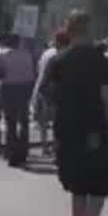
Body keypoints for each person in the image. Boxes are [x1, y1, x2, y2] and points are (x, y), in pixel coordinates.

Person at [36, 12, 108, 216]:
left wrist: (49, 129)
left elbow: (44, 98)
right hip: (94, 131)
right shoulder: (99, 60)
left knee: (78, 189)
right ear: (89, 30)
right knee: (99, 188)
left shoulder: (57, 60)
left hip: (66, 132)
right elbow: (107, 98)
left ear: (68, 30)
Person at [0, 33, 36, 166]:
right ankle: (23, 151)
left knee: (11, 122)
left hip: (9, 88)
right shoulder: (27, 54)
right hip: (25, 88)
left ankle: (11, 153)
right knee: (24, 121)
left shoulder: (3, 55)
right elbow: (32, 73)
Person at [32, 29, 69, 159]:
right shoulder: (62, 55)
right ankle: (57, 147)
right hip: (55, 93)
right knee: (57, 123)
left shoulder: (46, 53)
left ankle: (44, 146)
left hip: (43, 91)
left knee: (43, 123)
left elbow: (39, 71)